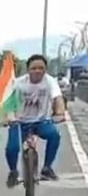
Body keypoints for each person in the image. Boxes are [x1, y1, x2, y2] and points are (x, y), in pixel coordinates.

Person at [5, 54, 65, 187]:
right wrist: (9, 117)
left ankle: (47, 168)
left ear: (45, 70)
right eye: (34, 68)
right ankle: (13, 171)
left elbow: (58, 99)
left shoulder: (50, 81)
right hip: (19, 122)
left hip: (41, 122)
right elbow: (8, 103)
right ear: (28, 70)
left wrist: (60, 113)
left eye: (41, 68)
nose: (37, 71)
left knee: (54, 135)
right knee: (12, 148)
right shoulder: (18, 83)